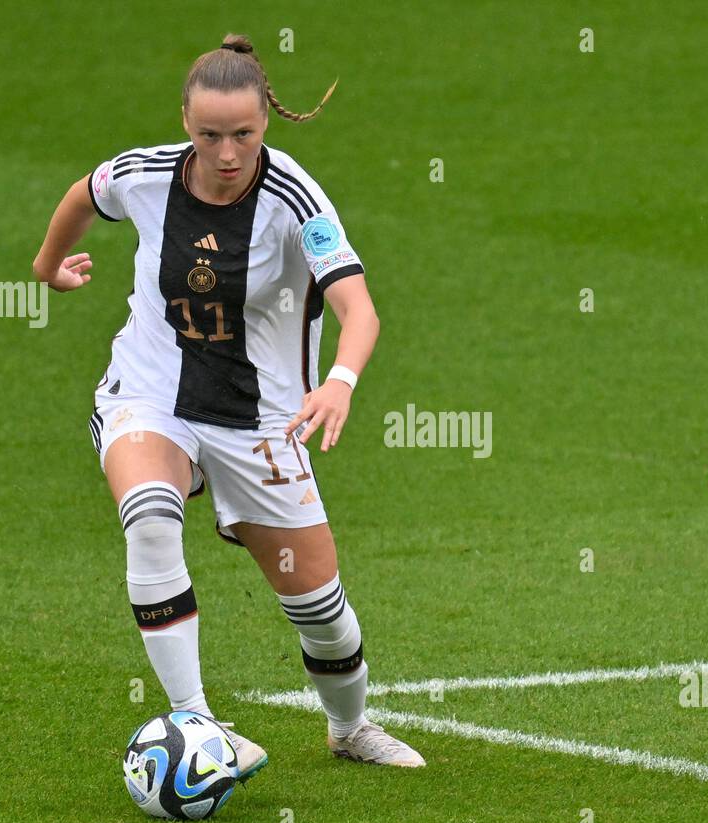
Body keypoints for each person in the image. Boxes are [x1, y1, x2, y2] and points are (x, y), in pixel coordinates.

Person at [31, 35, 425, 775]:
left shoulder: (294, 199)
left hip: (260, 420)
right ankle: (198, 723)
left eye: (242, 133)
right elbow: (87, 191)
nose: (226, 151)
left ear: (265, 123)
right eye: (209, 134)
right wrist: (48, 265)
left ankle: (350, 727)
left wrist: (338, 380)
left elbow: (358, 307)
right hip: (151, 392)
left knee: (321, 610)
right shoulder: (146, 174)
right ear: (185, 120)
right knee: (149, 514)